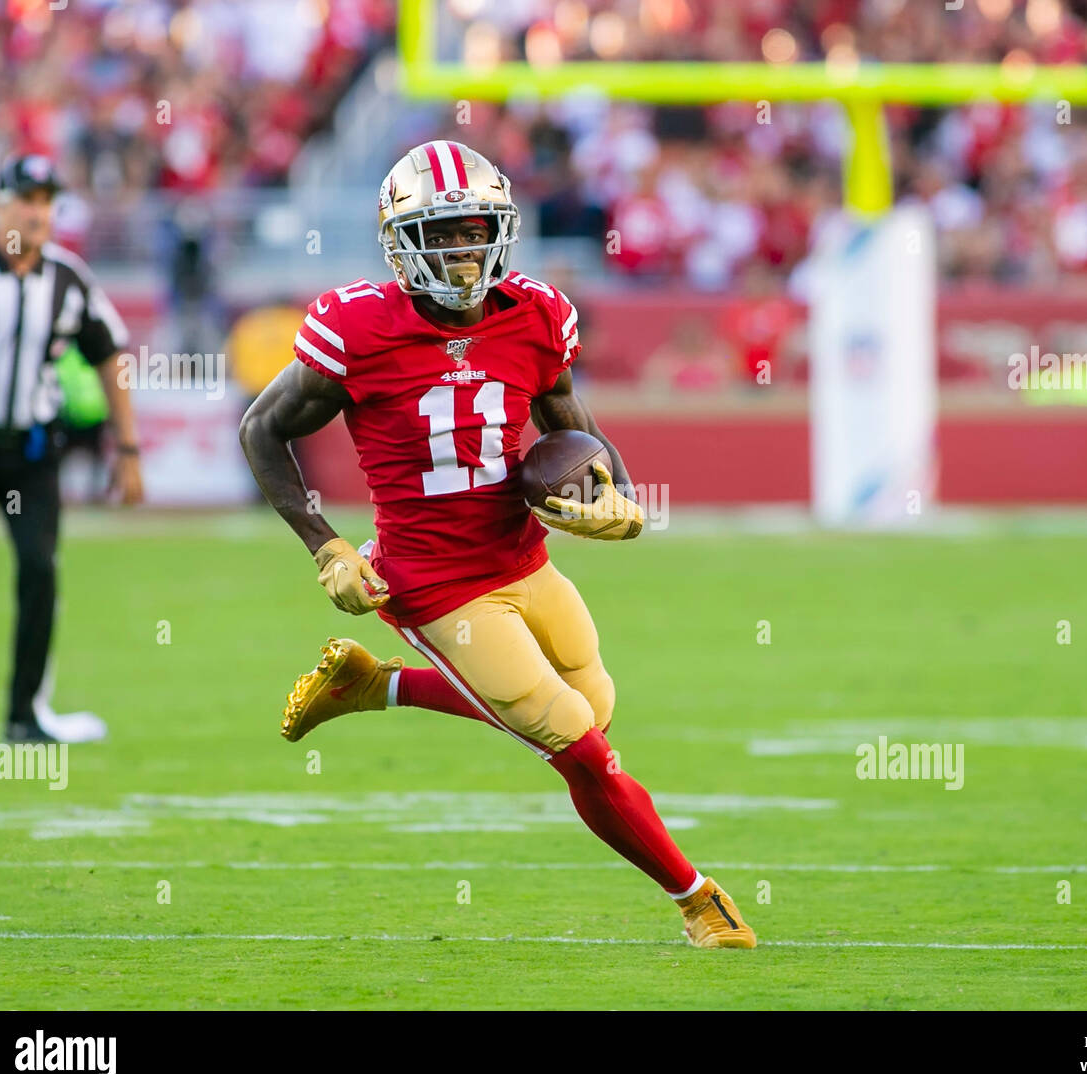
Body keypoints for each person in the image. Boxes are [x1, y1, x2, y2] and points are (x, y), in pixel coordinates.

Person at [239, 139, 756, 948]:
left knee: (597, 710)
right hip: (431, 582)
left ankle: (378, 688)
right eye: (442, 233)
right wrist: (327, 547)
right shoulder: (359, 328)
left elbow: (566, 421)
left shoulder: (536, 315)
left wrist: (616, 489)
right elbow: (262, 430)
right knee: (577, 746)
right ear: (402, 241)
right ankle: (697, 900)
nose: (461, 248)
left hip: (521, 559)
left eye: (475, 229)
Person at [0, 154, 143, 744]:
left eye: (47, 201)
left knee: (40, 572)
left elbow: (110, 353)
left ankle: (24, 716)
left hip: (31, 455)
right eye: (28, 199)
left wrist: (128, 449)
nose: (38, 212)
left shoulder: (67, 278)